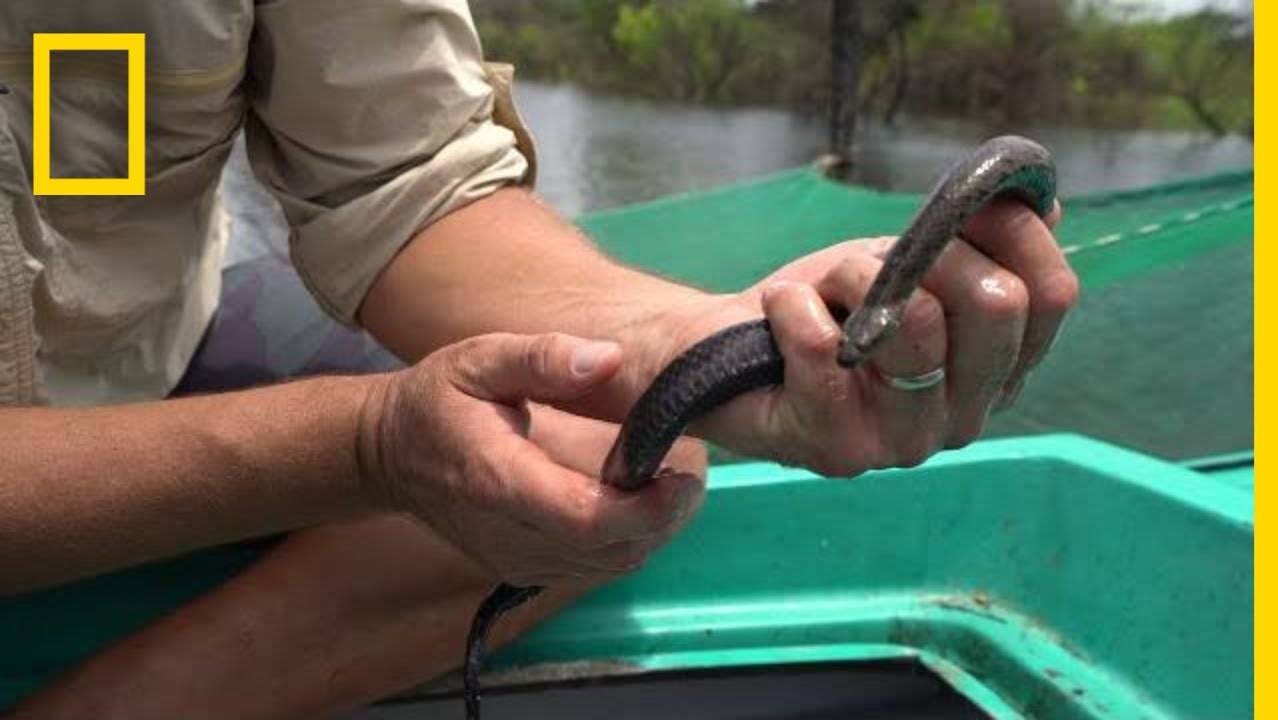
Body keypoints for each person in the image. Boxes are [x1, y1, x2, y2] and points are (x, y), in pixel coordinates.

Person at [0, 2, 1077, 718]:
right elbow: (371, 435)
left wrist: (672, 336)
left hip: (147, 338)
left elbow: (404, 176)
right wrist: (367, 445)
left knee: (605, 459)